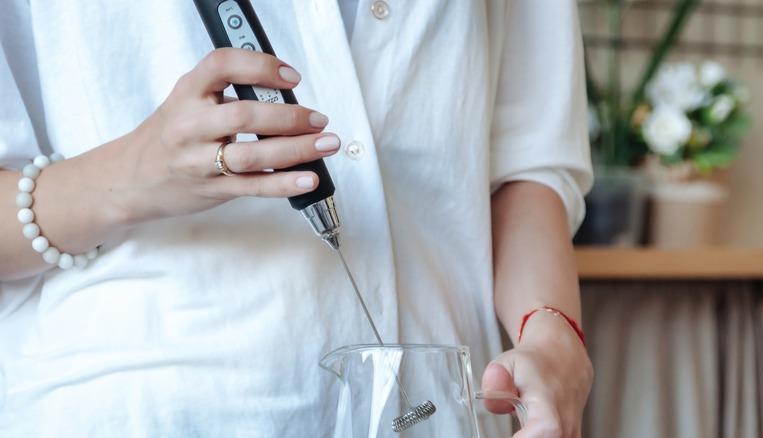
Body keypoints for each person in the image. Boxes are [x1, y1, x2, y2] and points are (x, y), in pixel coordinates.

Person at [0, 1, 593, 436]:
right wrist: (136, 172)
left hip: (445, 411)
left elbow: (526, 163)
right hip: (151, 412)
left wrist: (550, 332)